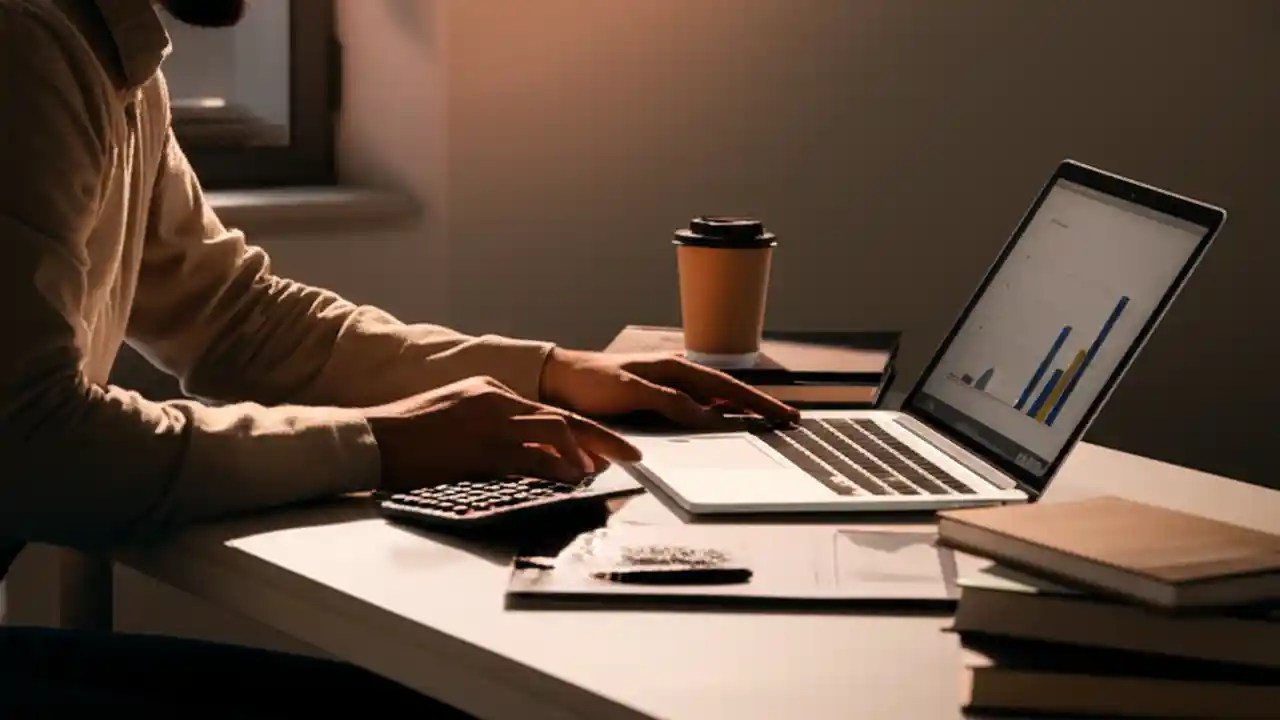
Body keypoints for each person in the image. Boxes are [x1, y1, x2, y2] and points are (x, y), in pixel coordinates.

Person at [0, 0, 798, 712]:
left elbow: (235, 319)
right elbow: (33, 442)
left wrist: (551, 374)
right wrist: (382, 443)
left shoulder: (107, 51)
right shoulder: (27, 44)